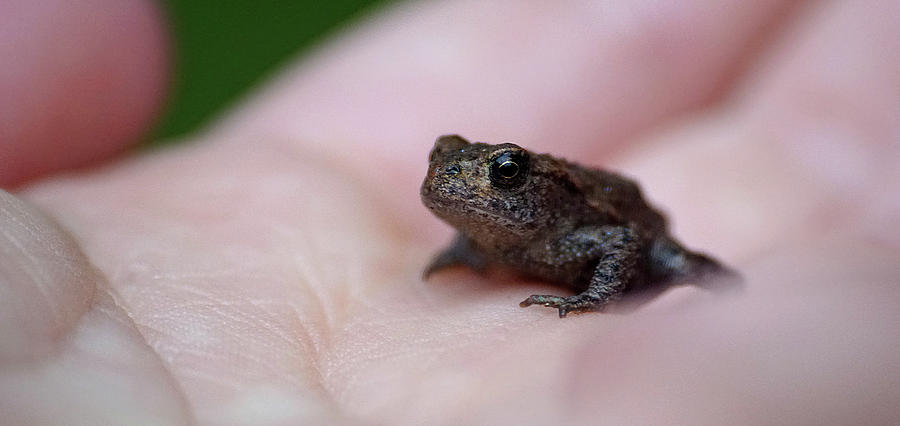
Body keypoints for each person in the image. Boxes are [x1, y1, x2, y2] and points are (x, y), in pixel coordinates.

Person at [2, 0, 898, 424]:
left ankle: (743, 297)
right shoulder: (486, 222)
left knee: (684, 269)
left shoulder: (574, 223)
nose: (464, 185)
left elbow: (624, 238)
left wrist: (594, 298)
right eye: (450, 166)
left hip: (638, 226)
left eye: (499, 175)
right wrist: (471, 248)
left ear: (531, 186)